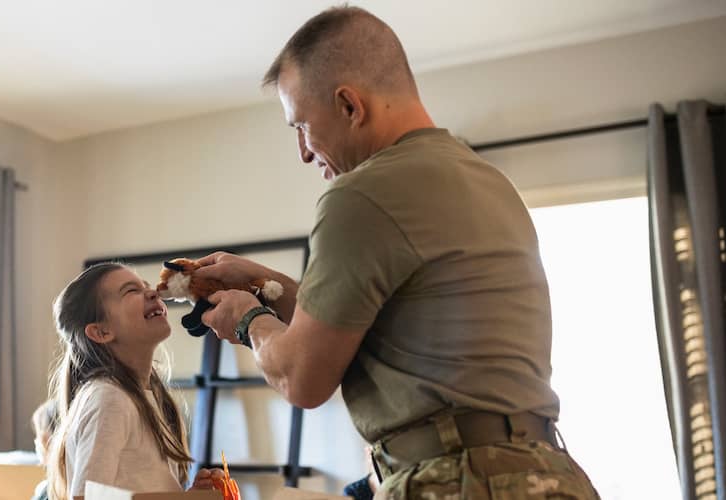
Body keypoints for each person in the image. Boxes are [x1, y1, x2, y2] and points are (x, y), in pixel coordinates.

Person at [195, 6, 599, 498]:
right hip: (542, 473)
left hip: (459, 482)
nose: (303, 152)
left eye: (301, 125)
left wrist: (247, 319)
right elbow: (373, 324)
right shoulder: (486, 181)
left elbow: (303, 378)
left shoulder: (361, 195)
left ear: (349, 105)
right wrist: (260, 280)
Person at [46, 263, 225, 500]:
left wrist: (191, 496)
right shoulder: (108, 399)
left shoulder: (147, 396)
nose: (153, 293)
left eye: (147, 287)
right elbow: (86, 497)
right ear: (101, 332)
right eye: (131, 291)